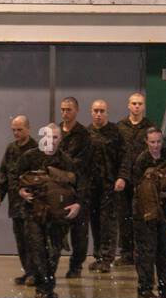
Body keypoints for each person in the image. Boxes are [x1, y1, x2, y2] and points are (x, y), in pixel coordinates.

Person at [123, 127, 166, 298]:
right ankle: (145, 288)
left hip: (165, 212)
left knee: (162, 251)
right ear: (146, 142)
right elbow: (136, 186)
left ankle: (165, 288)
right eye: (152, 142)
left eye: (158, 142)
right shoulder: (141, 160)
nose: (155, 145)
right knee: (146, 251)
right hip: (143, 213)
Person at [17, 123, 81, 298]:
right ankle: (43, 288)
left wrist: (77, 205)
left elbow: (80, 187)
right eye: (47, 136)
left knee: (53, 253)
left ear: (60, 139)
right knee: (37, 251)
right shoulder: (29, 158)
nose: (50, 141)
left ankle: (47, 286)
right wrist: (20, 191)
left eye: (55, 137)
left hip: (58, 215)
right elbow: (16, 179)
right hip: (34, 213)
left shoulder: (66, 162)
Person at [0, 115, 38, 284]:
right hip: (15, 202)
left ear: (28, 129)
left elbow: (39, 177)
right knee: (20, 239)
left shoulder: (35, 150)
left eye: (19, 130)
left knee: (31, 239)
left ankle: (35, 273)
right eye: (13, 130)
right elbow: (4, 172)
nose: (16, 133)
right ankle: (28, 272)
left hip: (31, 203)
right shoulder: (11, 149)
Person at [113, 92, 154, 266]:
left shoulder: (150, 127)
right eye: (134, 103)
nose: (136, 106)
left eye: (140, 104)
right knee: (124, 217)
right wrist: (119, 176)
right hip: (124, 179)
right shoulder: (120, 127)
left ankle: (142, 252)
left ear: (143, 106)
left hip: (142, 179)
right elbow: (116, 154)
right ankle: (126, 253)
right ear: (128, 106)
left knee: (142, 217)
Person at [58, 97, 94, 279]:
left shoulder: (83, 134)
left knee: (79, 234)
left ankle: (76, 266)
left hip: (79, 187)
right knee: (56, 231)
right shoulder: (56, 132)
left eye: (69, 110)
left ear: (76, 110)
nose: (65, 113)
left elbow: (82, 164)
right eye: (63, 109)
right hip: (59, 189)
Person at [87, 99, 123, 272]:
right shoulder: (86, 133)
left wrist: (121, 177)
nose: (99, 114)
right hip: (92, 186)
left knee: (108, 222)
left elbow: (124, 157)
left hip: (110, 185)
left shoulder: (115, 132)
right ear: (91, 112)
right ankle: (98, 256)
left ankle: (107, 258)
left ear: (107, 112)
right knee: (95, 222)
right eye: (96, 111)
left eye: (102, 111)